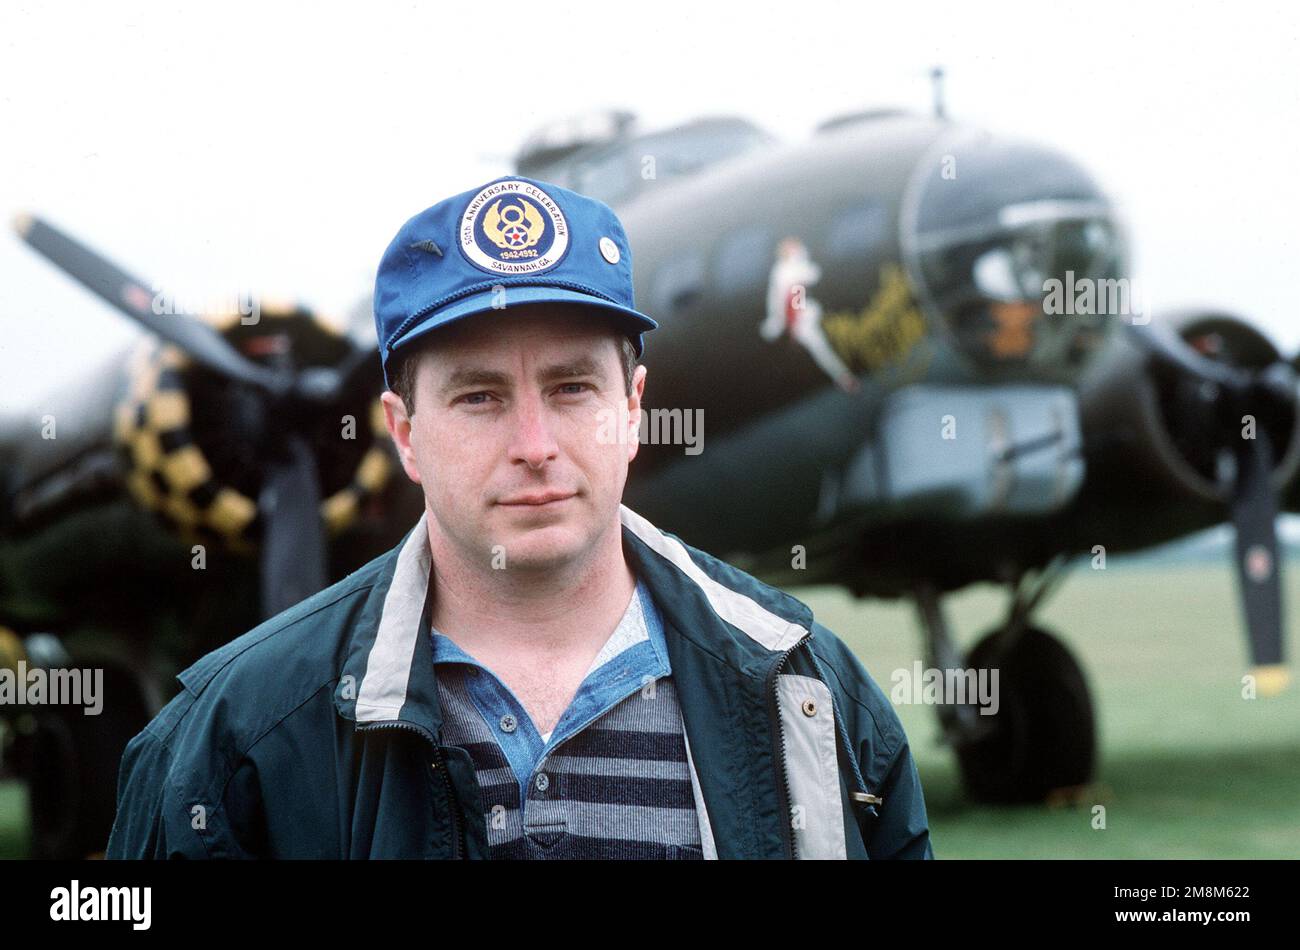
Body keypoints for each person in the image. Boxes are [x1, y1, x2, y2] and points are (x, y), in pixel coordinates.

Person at [106, 175, 933, 859]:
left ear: (634, 407)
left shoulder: (816, 695)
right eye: (479, 397)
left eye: (573, 387)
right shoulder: (226, 740)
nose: (534, 444)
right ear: (403, 433)